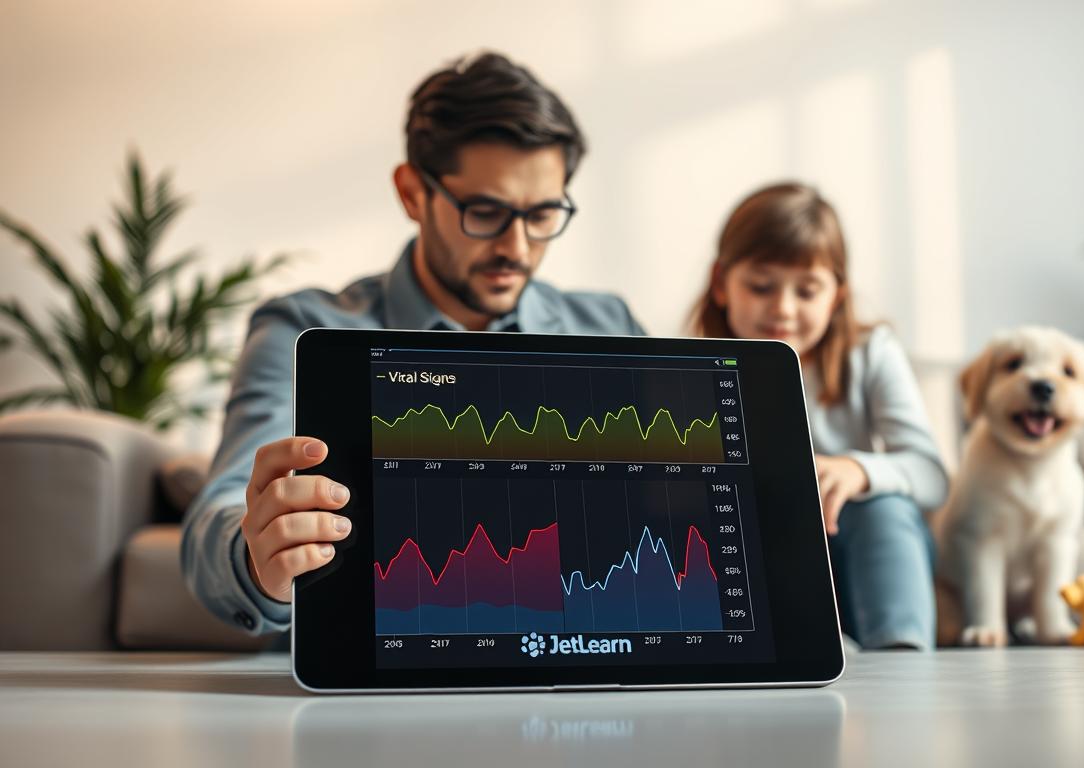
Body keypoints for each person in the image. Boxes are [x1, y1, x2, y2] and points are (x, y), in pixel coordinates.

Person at [182, 51, 645, 636]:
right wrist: (255, 559)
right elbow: (220, 510)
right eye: (486, 211)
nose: (519, 248)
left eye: (543, 214)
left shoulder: (608, 326)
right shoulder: (302, 331)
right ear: (411, 193)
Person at [690, 182, 948, 650]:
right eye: (761, 286)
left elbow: (932, 474)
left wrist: (857, 470)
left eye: (807, 291)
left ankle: (902, 657)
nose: (783, 309)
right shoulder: (695, 370)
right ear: (721, 284)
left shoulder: (871, 354)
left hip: (856, 558)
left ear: (837, 296)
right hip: (761, 563)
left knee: (886, 507)